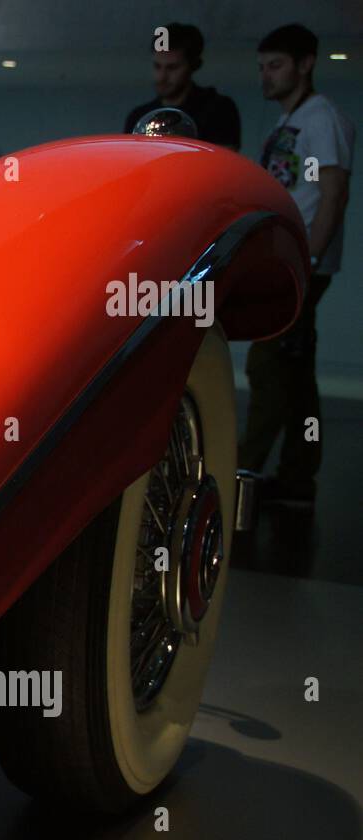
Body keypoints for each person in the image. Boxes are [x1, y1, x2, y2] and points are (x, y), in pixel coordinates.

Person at [240, 23, 355, 506]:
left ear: (306, 64)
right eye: (262, 66)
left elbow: (333, 192)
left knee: (268, 362)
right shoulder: (291, 122)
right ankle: (295, 480)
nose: (266, 75)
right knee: (294, 370)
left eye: (277, 65)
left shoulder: (320, 118)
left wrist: (307, 261)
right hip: (290, 261)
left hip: (301, 265)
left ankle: (242, 468)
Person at [123, 23, 241, 149]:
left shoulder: (219, 110)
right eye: (157, 66)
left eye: (172, 68)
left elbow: (223, 162)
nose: (162, 76)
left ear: (194, 65)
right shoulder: (138, 117)